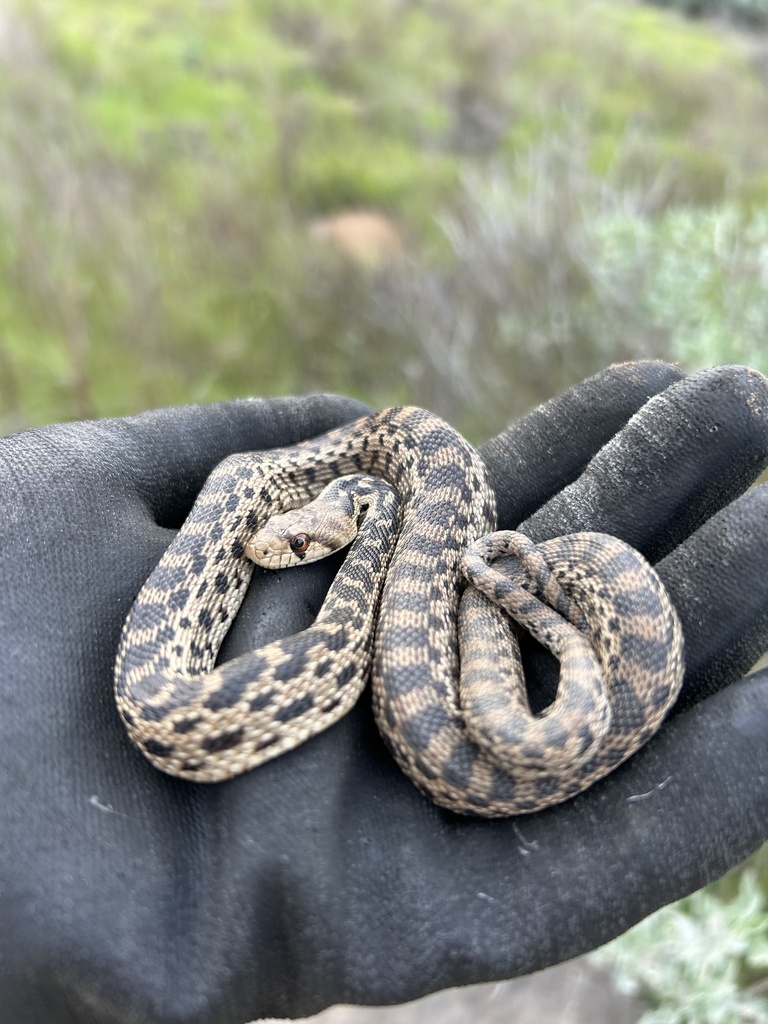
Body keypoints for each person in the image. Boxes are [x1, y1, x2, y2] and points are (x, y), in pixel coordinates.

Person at [1, 361, 767, 1024]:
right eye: (287, 539)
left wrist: (533, 615)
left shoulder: (386, 493)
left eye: (297, 545)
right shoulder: (298, 509)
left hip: (520, 608)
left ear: (336, 525)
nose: (274, 551)